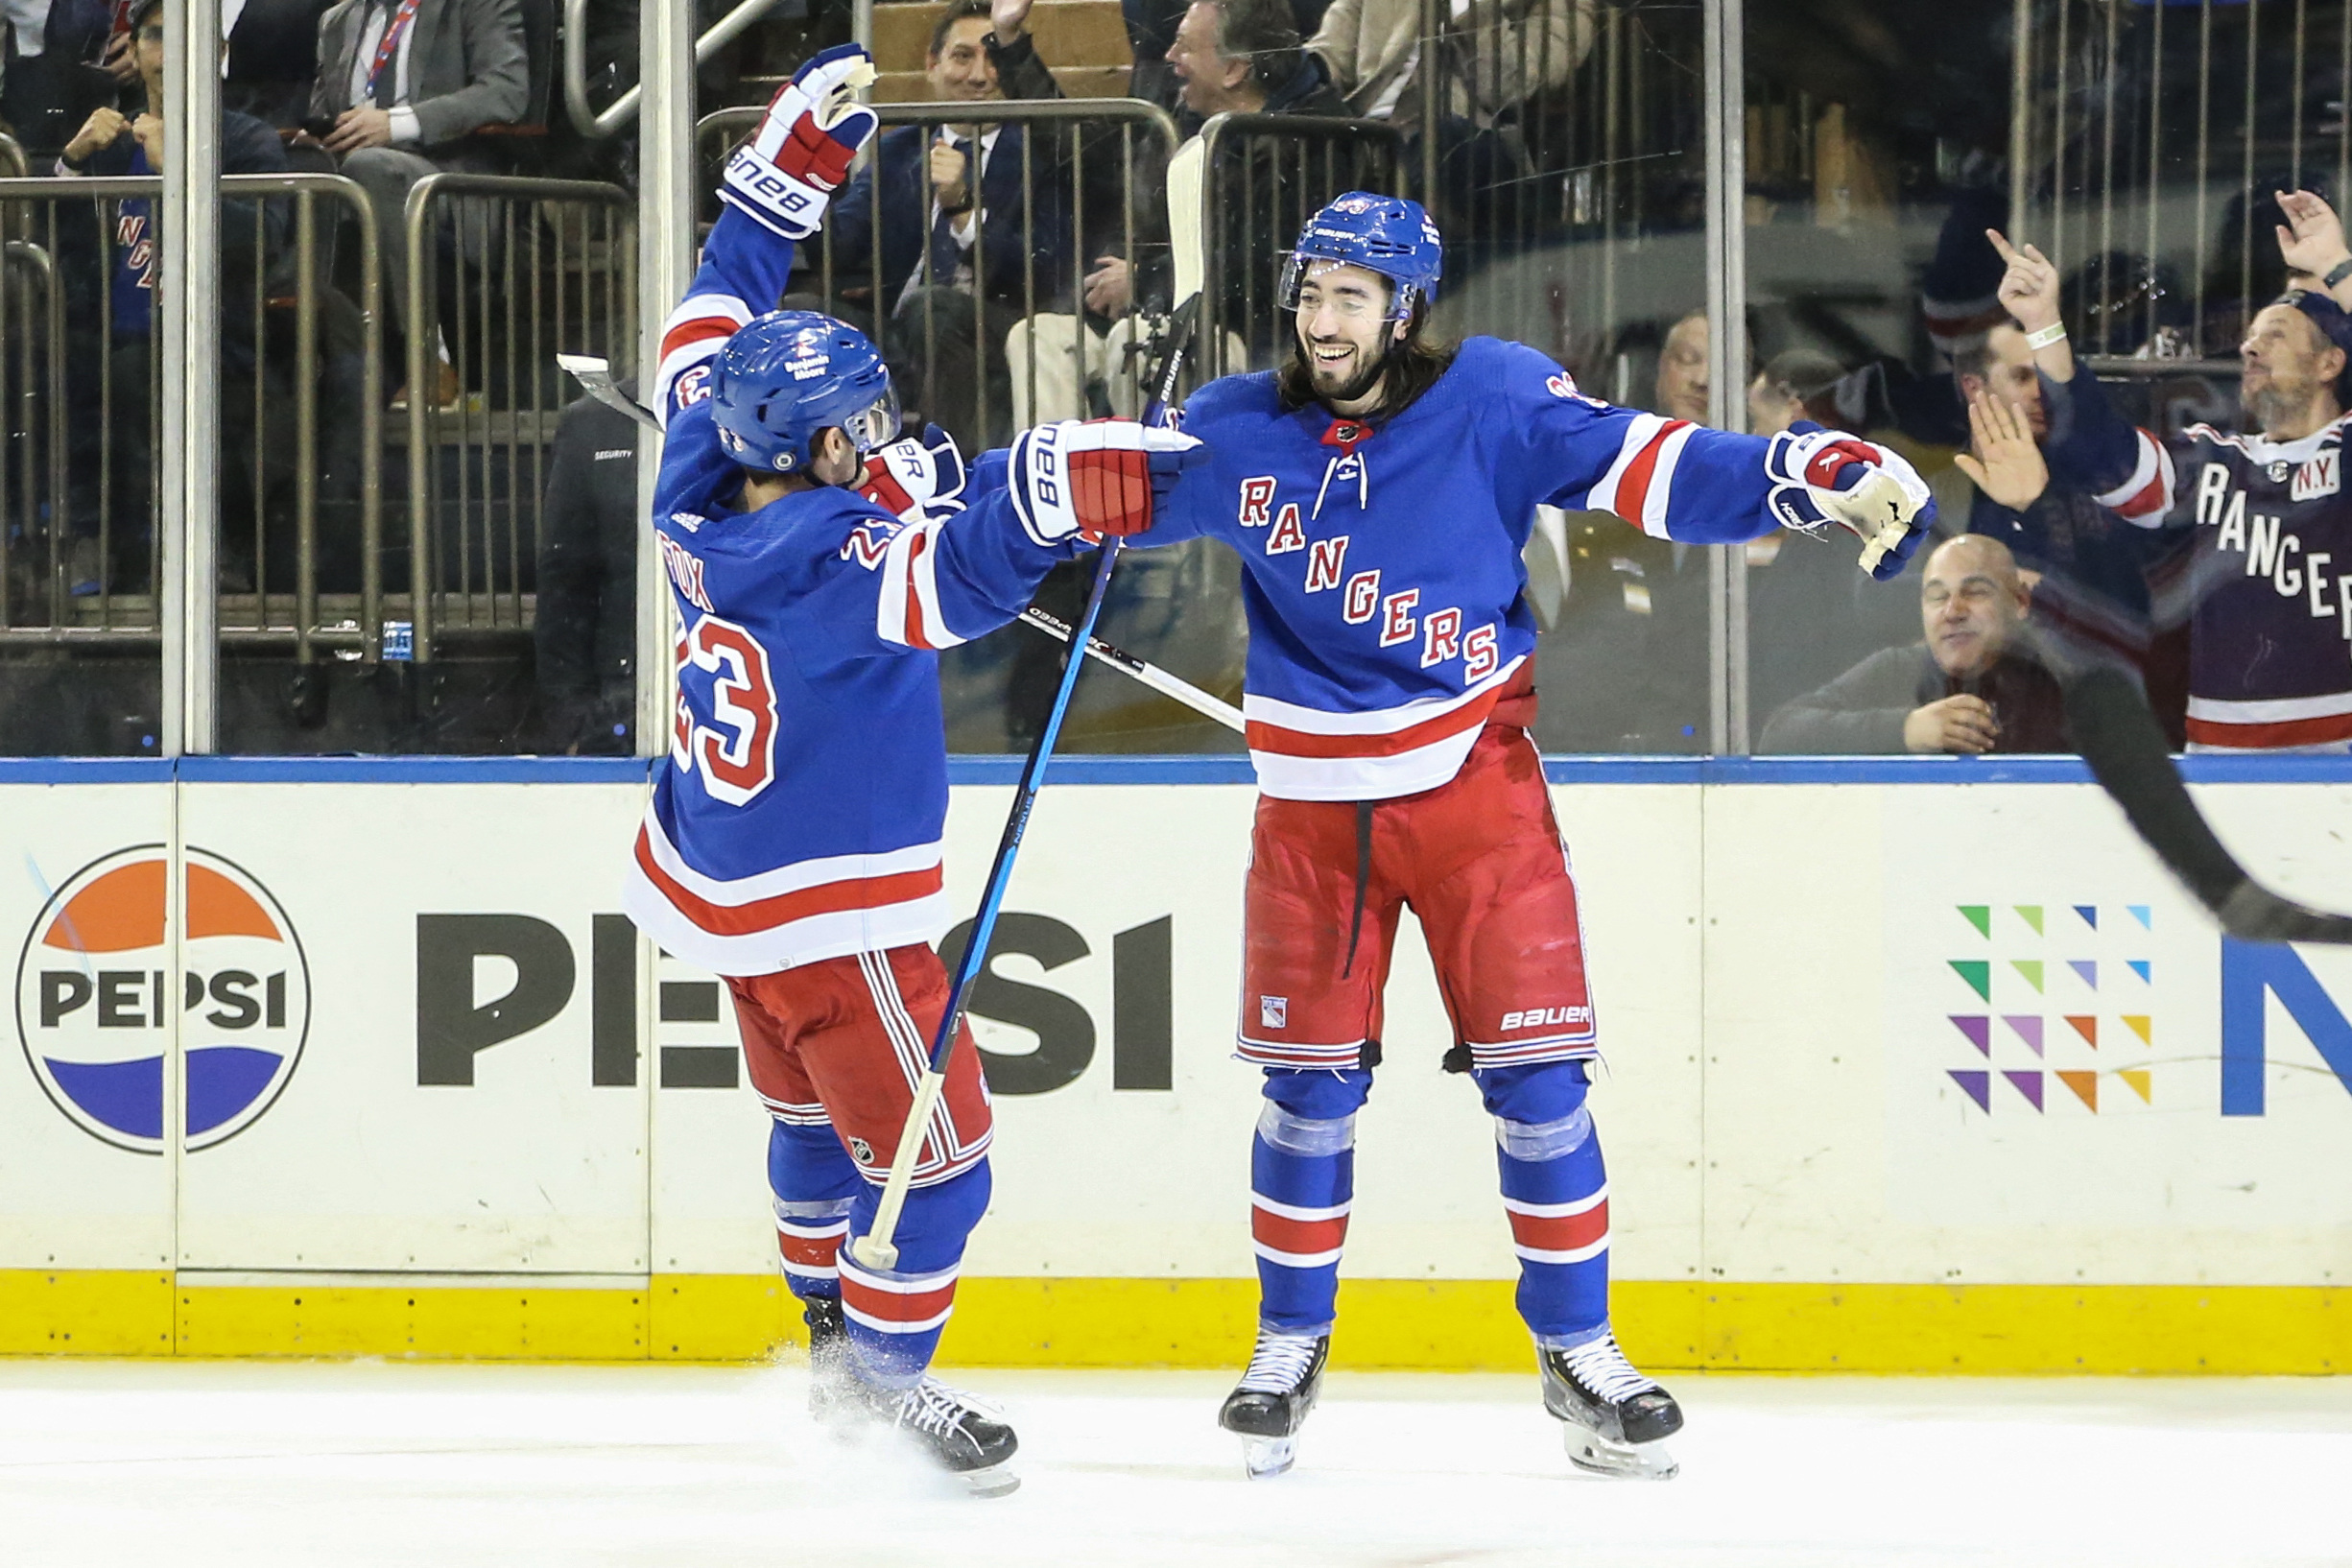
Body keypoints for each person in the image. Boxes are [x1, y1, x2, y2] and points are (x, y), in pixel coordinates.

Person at [1120, 192, 1935, 1479]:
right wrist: (1003, 496)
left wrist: (1800, 471)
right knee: (1306, 1090)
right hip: (1308, 808)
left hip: (1473, 794)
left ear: (1405, 308)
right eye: (1310, 293)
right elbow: (1083, 499)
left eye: (1350, 298)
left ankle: (1575, 1349)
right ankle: (1287, 1341)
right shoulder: (1231, 424)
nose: (1322, 322)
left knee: (1539, 1082)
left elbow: (1650, 466)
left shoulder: (1494, 399)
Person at [628, 45, 1201, 1492]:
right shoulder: (831, 564)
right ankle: (881, 1377)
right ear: (806, 451)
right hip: (841, 930)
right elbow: (959, 568)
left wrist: (778, 185)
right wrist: (1076, 485)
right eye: (855, 430)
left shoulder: (695, 483)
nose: (875, 438)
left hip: (731, 909)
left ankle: (825, 1332)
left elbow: (708, 321)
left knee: (812, 1130)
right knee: (945, 1167)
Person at [2004, 194, 2352, 751]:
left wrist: (2337, 265)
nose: (2249, 346)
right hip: (2224, 761)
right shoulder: (2213, 461)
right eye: (2250, 336)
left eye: (2276, 334)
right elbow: (2104, 452)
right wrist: (2044, 324)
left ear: (2330, 362)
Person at [992, 0, 1345, 422]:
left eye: (1184, 47)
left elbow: (1263, 265)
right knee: (1040, 338)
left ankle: (1158, 483)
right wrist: (1011, 44)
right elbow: (1083, 152)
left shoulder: (1314, 139)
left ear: (1235, 70)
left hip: (1249, 340)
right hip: (1161, 317)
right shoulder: (1178, 121)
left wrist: (1145, 280)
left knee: (1139, 339)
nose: (1169, 58)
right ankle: (1055, 477)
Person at [55, 0, 288, 595]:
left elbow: (263, 239)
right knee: (70, 357)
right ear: (135, 52)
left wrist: (175, 172)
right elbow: (69, 251)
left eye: (189, 37)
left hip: (217, 338)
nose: (171, 52)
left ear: (221, 54)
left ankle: (189, 550)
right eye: (157, 37)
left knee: (138, 371)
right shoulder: (111, 137)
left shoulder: (247, 139)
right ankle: (83, 538)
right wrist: (70, 164)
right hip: (113, 337)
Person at [815, 0, 1072, 452]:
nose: (979, 75)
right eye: (962, 56)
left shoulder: (1043, 148)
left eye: (992, 58)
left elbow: (1043, 268)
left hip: (1001, 325)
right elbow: (839, 242)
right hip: (906, 330)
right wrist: (796, 188)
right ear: (932, 66)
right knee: (807, 312)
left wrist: (964, 210)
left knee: (934, 311)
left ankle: (954, 477)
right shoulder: (902, 150)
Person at [308, 0, 530, 411]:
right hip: (352, 175)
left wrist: (397, 123)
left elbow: (507, 90)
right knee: (303, 175)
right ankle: (308, 364)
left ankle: (432, 360)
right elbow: (322, 112)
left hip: (451, 180)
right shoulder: (337, 20)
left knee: (370, 167)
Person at [1760, 522, 2068, 756]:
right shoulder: (1898, 670)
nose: (1953, 611)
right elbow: (1779, 737)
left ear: (2020, 602)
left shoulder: (2062, 678)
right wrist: (1906, 729)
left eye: (1975, 592)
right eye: (1936, 597)